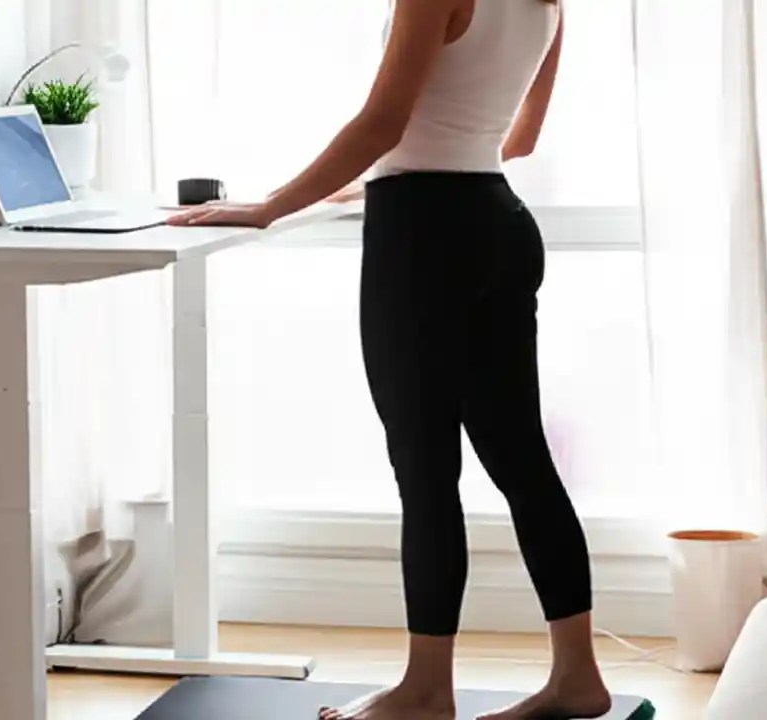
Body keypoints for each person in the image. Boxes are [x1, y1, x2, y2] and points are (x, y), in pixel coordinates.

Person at [169, 1, 611, 718]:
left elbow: (384, 124)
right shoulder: (548, 3)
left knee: (426, 469)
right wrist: (376, 175)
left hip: (424, 238)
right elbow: (518, 138)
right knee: (524, 463)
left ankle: (427, 690)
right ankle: (577, 676)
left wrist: (269, 206)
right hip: (500, 223)